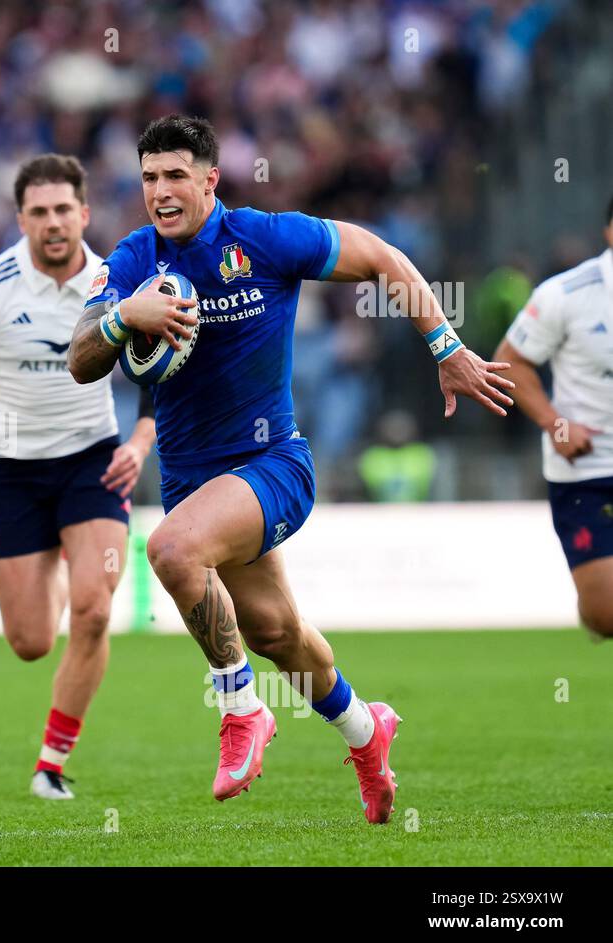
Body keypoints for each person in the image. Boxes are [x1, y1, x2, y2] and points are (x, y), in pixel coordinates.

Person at [68, 116, 515, 823]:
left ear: (210, 179)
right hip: (197, 484)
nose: (161, 190)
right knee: (280, 635)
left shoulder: (265, 239)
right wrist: (126, 315)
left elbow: (383, 257)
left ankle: (242, 710)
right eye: (150, 177)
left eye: (177, 175)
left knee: (170, 550)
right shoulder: (131, 261)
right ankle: (368, 735)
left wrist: (445, 346)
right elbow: (81, 359)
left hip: (274, 462)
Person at [0, 154, 156, 799]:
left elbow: (165, 365)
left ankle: (52, 762)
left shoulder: (116, 279)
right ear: (21, 219)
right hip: (14, 472)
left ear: (85, 212)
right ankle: (51, 562)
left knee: (95, 611)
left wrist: (140, 439)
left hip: (93, 462)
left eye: (63, 210)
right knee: (28, 642)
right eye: (39, 212)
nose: (52, 223)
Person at [494, 196, 613, 639]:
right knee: (604, 615)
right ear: (610, 231)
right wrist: (556, 425)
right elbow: (511, 362)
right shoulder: (565, 294)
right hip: (589, 466)